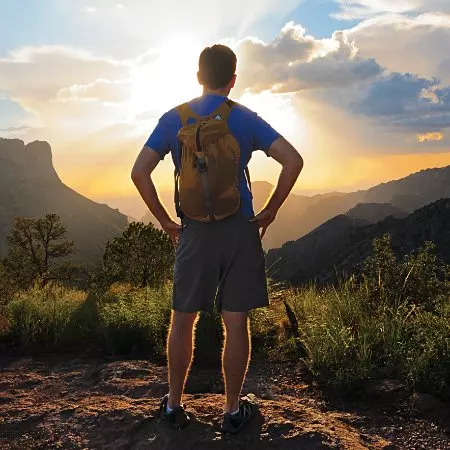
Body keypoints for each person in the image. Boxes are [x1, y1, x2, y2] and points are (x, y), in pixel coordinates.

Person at [131, 44, 303, 434]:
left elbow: (139, 172)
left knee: (182, 319)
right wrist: (271, 210)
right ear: (233, 79)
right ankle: (231, 412)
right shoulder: (244, 119)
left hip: (192, 231)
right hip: (241, 230)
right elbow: (293, 161)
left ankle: (173, 406)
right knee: (236, 321)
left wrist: (163, 221)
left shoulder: (174, 119)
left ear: (198, 76)